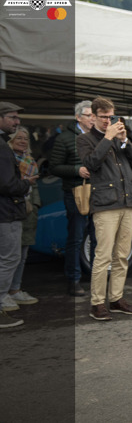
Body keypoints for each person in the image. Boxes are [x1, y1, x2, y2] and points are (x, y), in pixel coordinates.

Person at [77, 97, 132, 321]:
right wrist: (107, 137)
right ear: (93, 117)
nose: (108, 121)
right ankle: (97, 303)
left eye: (111, 117)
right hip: (104, 204)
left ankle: (116, 298)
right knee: (102, 255)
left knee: (122, 255)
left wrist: (125, 140)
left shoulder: (118, 138)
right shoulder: (85, 139)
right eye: (104, 117)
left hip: (127, 201)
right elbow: (92, 163)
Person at [50, 100, 95, 296]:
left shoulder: (99, 136)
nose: (93, 119)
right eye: (89, 115)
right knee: (76, 238)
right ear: (78, 117)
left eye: (95, 115)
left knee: (97, 237)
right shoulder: (65, 138)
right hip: (75, 193)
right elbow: (54, 167)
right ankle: (74, 280)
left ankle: (96, 277)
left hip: (98, 193)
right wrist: (78, 170)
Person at [0, 102, 34, 328]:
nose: (17, 121)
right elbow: (7, 185)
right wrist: (25, 184)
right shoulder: (2, 148)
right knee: (9, 258)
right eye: (12, 117)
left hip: (7, 210)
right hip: (6, 211)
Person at [4, 128, 41, 310]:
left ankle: (15, 290)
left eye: (26, 138)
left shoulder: (29, 160)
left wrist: (34, 206)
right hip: (11, 210)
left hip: (28, 211)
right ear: (10, 140)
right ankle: (4, 293)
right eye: (18, 138)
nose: (23, 141)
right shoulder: (7, 159)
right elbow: (9, 185)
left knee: (22, 254)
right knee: (9, 255)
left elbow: (35, 188)